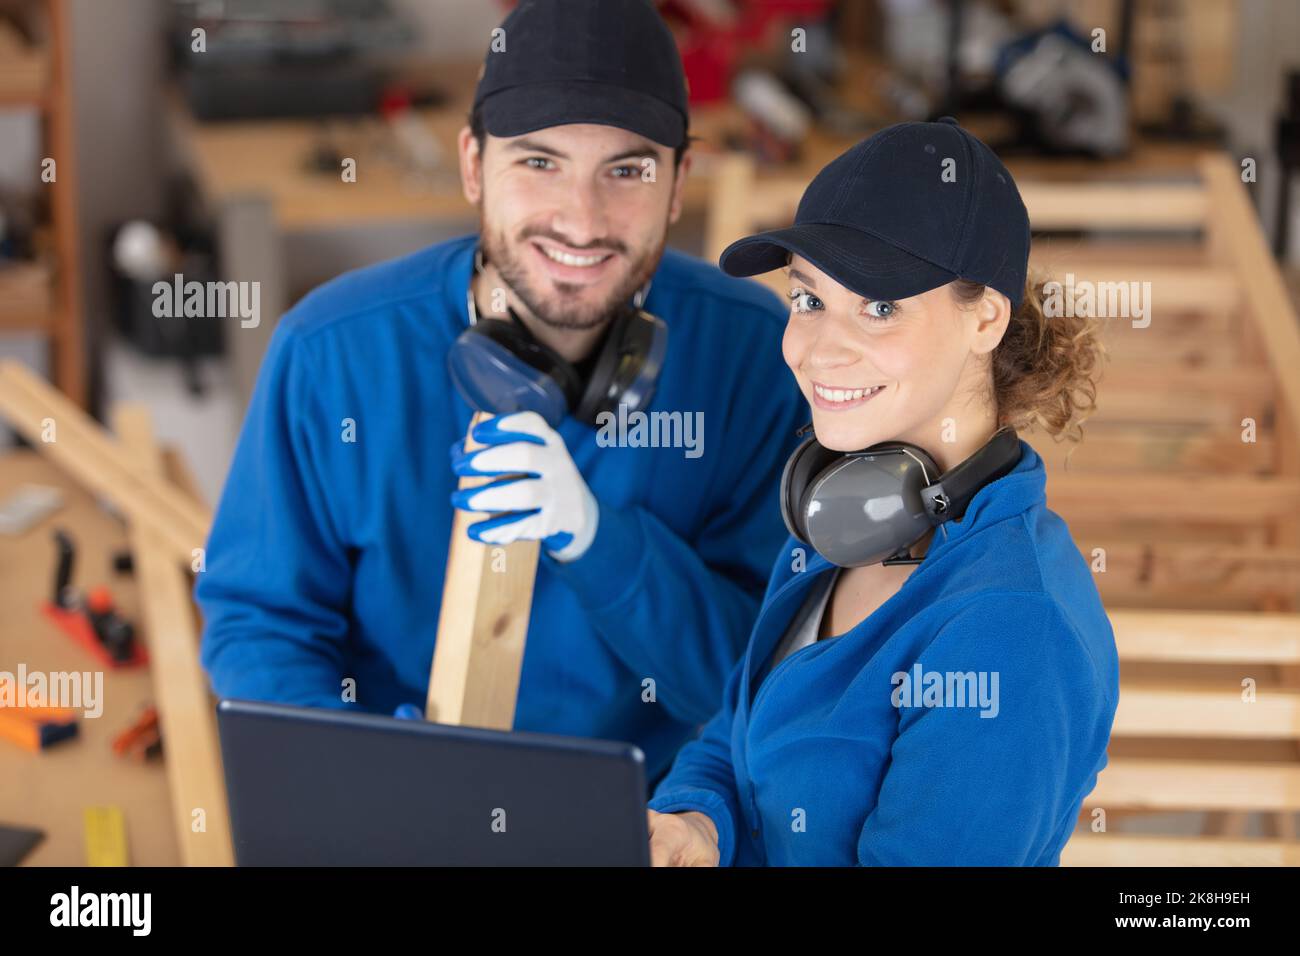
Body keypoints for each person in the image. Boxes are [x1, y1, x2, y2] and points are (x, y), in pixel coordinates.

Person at [194, 0, 805, 786]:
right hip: (395, 797)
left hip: (648, 810)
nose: (582, 222)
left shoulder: (756, 356)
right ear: (475, 166)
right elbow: (261, 625)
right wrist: (355, 775)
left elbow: (762, 677)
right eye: (539, 162)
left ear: (680, 183)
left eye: (627, 170)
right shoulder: (331, 353)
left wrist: (600, 541)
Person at [645, 118, 1119, 865]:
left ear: (987, 317)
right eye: (808, 301)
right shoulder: (843, 516)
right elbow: (738, 734)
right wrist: (694, 822)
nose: (820, 348)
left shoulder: (1013, 630)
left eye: (880, 306)